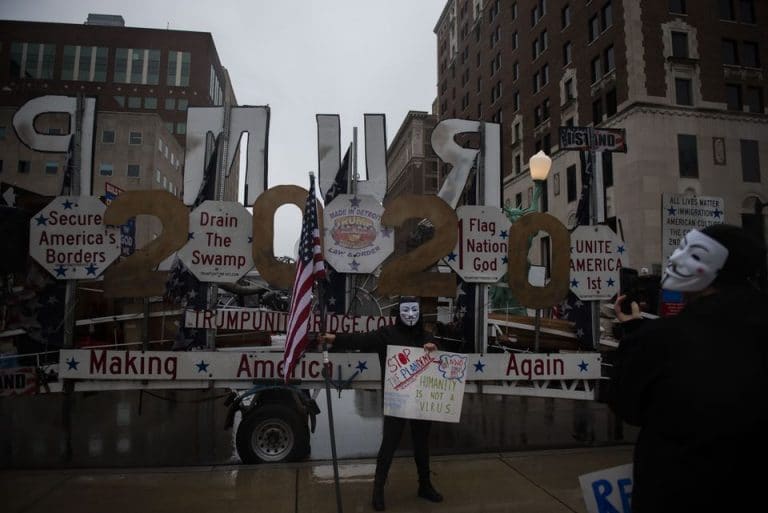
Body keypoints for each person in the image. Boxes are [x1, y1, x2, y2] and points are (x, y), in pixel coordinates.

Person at [609, 224, 768, 512]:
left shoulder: (662, 340)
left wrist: (633, 334)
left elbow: (627, 403)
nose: (675, 260)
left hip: (680, 493)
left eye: (690, 253)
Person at [322, 296, 443, 511]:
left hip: (421, 401)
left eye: (414, 310)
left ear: (420, 313)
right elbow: (359, 340)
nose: (410, 315)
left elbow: (439, 353)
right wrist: (333, 338)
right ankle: (377, 491)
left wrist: (435, 346)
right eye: (405, 310)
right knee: (388, 445)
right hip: (396, 401)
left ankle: (425, 485)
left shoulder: (426, 336)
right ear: (398, 312)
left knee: (422, 445)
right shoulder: (386, 334)